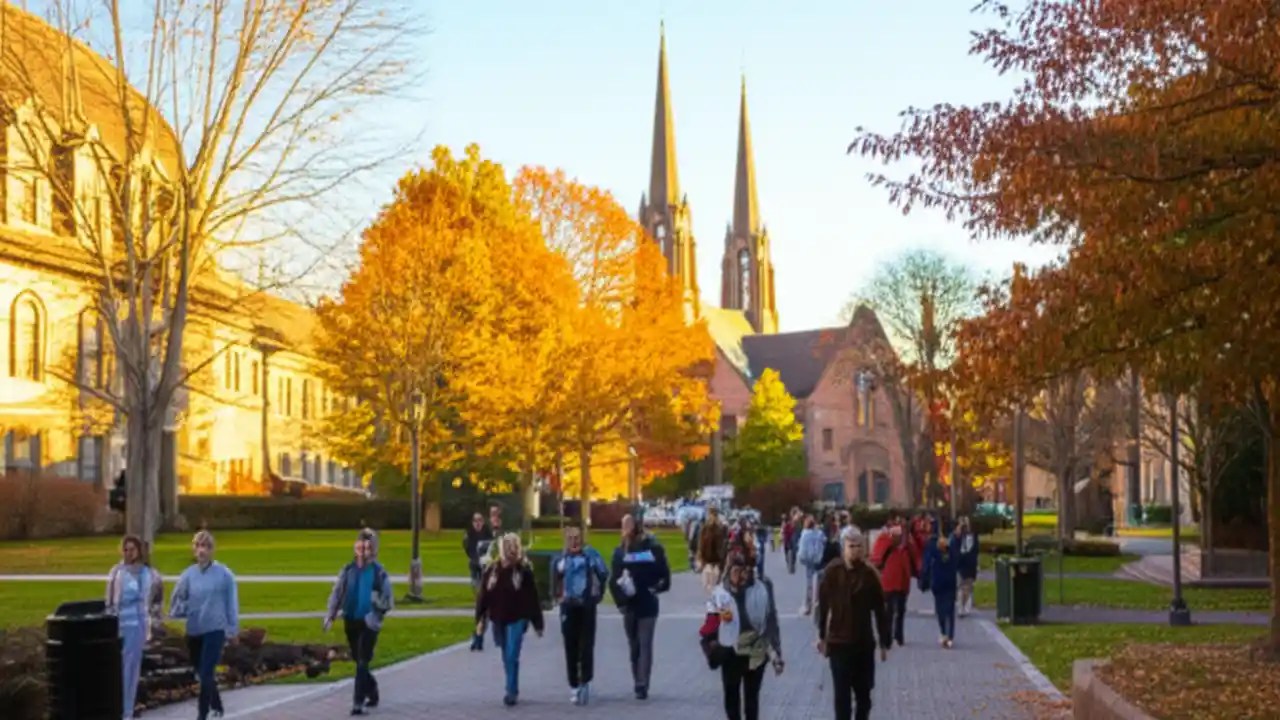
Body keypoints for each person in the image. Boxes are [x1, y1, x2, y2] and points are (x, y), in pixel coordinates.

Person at [816, 527, 892, 720]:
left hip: (863, 644)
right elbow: (822, 607)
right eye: (851, 546)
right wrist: (821, 637)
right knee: (842, 699)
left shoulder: (869, 575)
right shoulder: (832, 572)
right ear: (843, 548)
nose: (856, 550)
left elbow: (880, 610)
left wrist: (884, 641)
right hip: (839, 643)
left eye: (859, 546)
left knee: (864, 697)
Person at [700, 553, 783, 720]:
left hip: (755, 649)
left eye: (745, 571)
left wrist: (776, 653)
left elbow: (771, 620)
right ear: (728, 571)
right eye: (736, 571)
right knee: (731, 697)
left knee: (752, 699)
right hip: (731, 651)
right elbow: (710, 623)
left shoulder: (762, 589)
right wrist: (711, 644)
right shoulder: (720, 594)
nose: (740, 576)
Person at [170, 531, 239, 720]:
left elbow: (231, 603)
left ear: (212, 550)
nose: (202, 551)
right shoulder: (188, 575)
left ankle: (202, 714)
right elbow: (177, 601)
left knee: (207, 672)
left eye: (206, 547)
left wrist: (232, 629)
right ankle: (217, 705)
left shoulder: (224, 574)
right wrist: (184, 609)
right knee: (202, 673)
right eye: (198, 546)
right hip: (194, 630)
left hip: (215, 629)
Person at [323, 529, 394, 716]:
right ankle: (372, 690)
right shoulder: (348, 570)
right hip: (350, 619)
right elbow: (337, 594)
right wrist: (330, 615)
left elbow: (388, 601)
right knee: (358, 660)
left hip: (369, 623)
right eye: (361, 546)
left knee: (363, 661)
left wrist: (375, 602)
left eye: (368, 547)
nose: (363, 550)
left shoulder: (379, 573)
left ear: (374, 550)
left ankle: (357, 703)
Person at [475, 533, 544, 706]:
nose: (510, 551)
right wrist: (479, 619)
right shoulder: (493, 571)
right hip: (498, 618)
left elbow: (533, 598)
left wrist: (538, 623)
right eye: (507, 547)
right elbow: (484, 596)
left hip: (518, 618)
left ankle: (511, 691)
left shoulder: (523, 571)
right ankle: (511, 686)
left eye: (514, 547)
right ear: (501, 549)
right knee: (506, 656)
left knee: (512, 654)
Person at [610, 513, 671, 700]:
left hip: (647, 603)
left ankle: (642, 683)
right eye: (623, 525)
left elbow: (665, 576)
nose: (625, 529)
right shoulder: (620, 552)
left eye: (627, 525)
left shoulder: (653, 549)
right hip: (629, 605)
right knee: (634, 645)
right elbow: (613, 580)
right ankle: (638, 678)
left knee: (644, 644)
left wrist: (657, 587)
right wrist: (620, 601)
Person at [106, 535, 163, 720]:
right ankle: (118, 707)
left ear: (138, 551)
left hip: (137, 626)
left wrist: (154, 621)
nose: (129, 553)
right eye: (125, 549)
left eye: (132, 549)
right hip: (119, 625)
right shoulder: (116, 572)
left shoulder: (149, 573)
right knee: (117, 669)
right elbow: (109, 600)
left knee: (131, 669)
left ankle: (127, 711)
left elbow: (157, 600)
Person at [552, 522, 609, 706]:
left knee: (586, 645)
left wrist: (597, 595)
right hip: (568, 607)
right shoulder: (561, 559)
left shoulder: (591, 556)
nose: (574, 542)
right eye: (570, 538)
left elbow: (603, 573)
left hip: (587, 606)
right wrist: (557, 596)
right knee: (570, 646)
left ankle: (586, 679)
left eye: (577, 538)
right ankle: (574, 685)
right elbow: (554, 581)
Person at [869, 513, 920, 647]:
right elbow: (876, 557)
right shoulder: (884, 539)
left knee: (901, 610)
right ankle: (888, 637)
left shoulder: (907, 542)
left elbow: (916, 556)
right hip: (888, 581)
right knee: (889, 611)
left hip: (903, 581)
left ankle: (899, 635)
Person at [462, 512, 494, 651]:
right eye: (475, 520)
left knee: (483, 608)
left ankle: (478, 635)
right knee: (480, 606)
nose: (477, 523)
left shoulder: (488, 535)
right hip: (476, 573)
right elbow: (469, 552)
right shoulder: (468, 536)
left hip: (487, 574)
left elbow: (493, 552)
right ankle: (478, 636)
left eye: (480, 520)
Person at [924, 533, 961, 648]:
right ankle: (944, 633)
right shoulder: (935, 555)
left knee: (948, 611)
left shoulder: (952, 555)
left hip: (948, 586)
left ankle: (948, 636)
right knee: (941, 612)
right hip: (939, 587)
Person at [795, 516, 826, 615]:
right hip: (818, 559)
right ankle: (817, 602)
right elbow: (824, 541)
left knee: (809, 583)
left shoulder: (804, 534)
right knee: (818, 582)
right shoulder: (819, 534)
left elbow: (801, 548)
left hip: (808, 560)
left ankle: (808, 605)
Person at [698, 505, 729, 592]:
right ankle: (712, 597)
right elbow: (701, 543)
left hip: (717, 559)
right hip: (708, 559)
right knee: (708, 583)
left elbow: (724, 544)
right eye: (710, 514)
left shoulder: (721, 528)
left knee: (715, 582)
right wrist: (700, 556)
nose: (711, 517)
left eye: (713, 514)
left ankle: (715, 597)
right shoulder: (706, 528)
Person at [953, 516, 980, 616]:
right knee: (961, 586)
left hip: (970, 564)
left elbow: (976, 550)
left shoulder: (973, 537)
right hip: (960, 564)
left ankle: (966, 604)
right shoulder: (957, 537)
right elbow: (953, 546)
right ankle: (961, 606)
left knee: (968, 586)